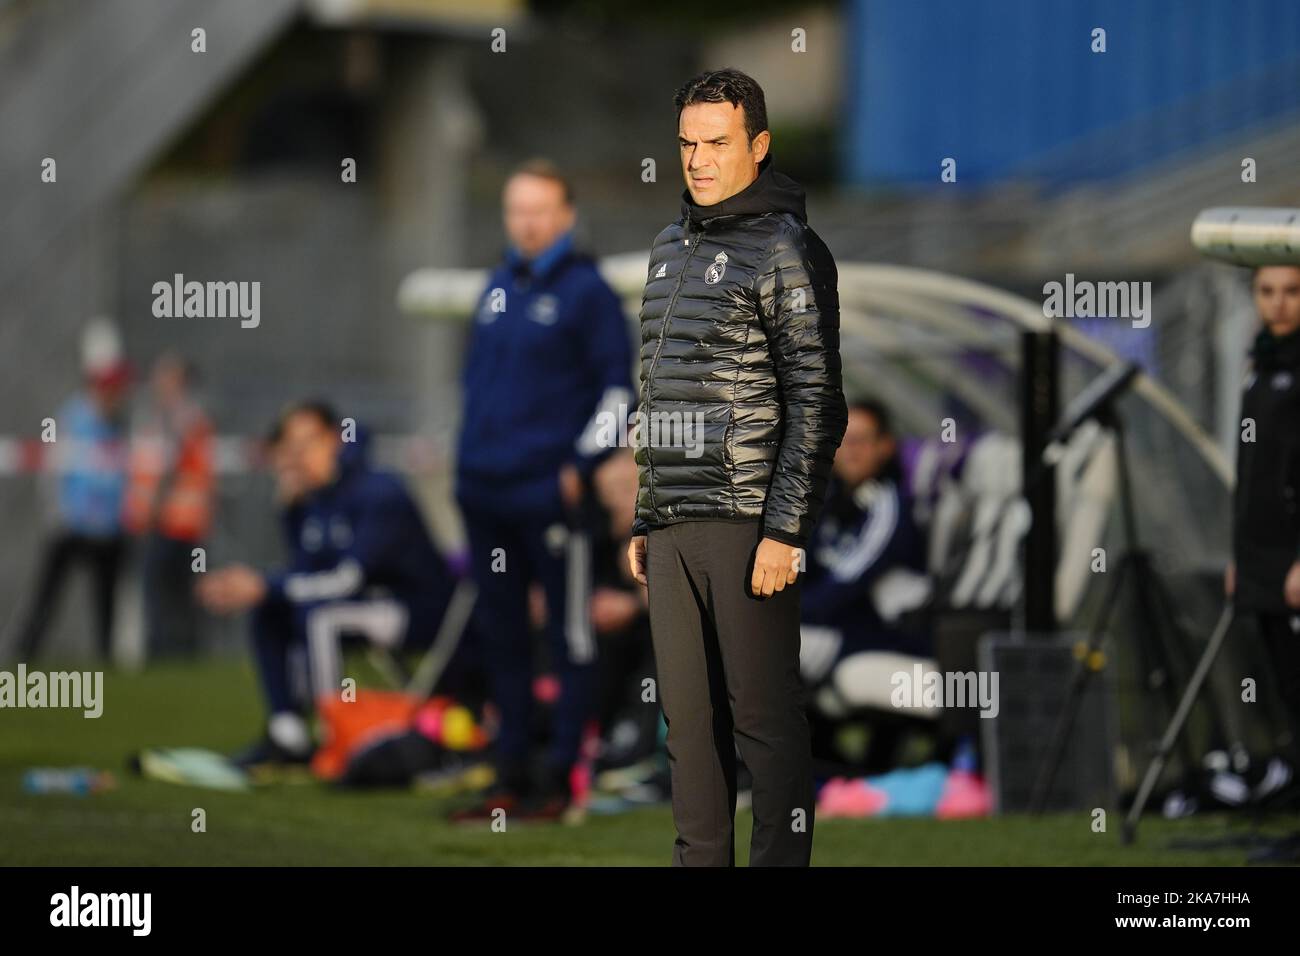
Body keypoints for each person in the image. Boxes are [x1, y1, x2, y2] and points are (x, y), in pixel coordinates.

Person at [627, 69, 847, 866]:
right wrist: (646, 513)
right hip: (675, 525)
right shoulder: (665, 249)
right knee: (687, 731)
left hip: (749, 522)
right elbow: (658, 391)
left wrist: (785, 529)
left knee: (763, 723)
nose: (698, 159)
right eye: (687, 144)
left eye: (716, 143)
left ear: (758, 145)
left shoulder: (789, 247)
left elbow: (819, 401)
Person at [452, 159, 635, 821]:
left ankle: (560, 778)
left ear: (565, 215)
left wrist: (582, 462)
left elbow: (618, 390)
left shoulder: (588, 292)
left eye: (539, 210)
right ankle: (510, 774)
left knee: (568, 636)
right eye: (516, 210)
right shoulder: (496, 283)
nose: (526, 223)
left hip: (548, 496)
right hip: (484, 489)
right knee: (501, 635)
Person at [197, 401, 472, 767]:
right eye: (290, 449)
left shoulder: (379, 491)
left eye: (307, 443)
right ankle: (287, 733)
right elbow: (307, 575)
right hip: (360, 606)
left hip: (416, 610)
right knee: (274, 611)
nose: (297, 458)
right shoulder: (316, 500)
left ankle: (337, 738)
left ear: (336, 439)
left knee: (320, 617)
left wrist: (265, 584)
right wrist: (289, 515)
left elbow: (346, 580)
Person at [1226, 264, 1300, 822]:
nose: (1279, 304)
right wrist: (1241, 556)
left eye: (1293, 291)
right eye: (1267, 291)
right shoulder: (1258, 366)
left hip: (1294, 562)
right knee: (1282, 691)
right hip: (1261, 559)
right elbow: (1253, 471)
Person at [16, 334, 131, 662]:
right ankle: (25, 654)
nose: (115, 395)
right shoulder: (70, 418)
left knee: (106, 599)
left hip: (108, 528)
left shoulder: (119, 425)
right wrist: (59, 514)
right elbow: (52, 470)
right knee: (47, 595)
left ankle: (106, 661)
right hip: (73, 524)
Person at [799, 400, 930, 687]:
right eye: (842, 440)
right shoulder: (833, 500)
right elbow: (802, 565)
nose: (850, 451)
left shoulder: (888, 506)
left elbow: (845, 584)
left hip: (877, 638)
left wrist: (781, 613)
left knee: (760, 646)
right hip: (831, 628)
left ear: (885, 446)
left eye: (859, 441)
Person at [123, 353, 215, 658]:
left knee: (171, 594)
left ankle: (171, 652)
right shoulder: (155, 417)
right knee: (169, 594)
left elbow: (171, 467)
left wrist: (151, 509)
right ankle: (172, 652)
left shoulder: (183, 417)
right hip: (172, 522)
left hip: (174, 523)